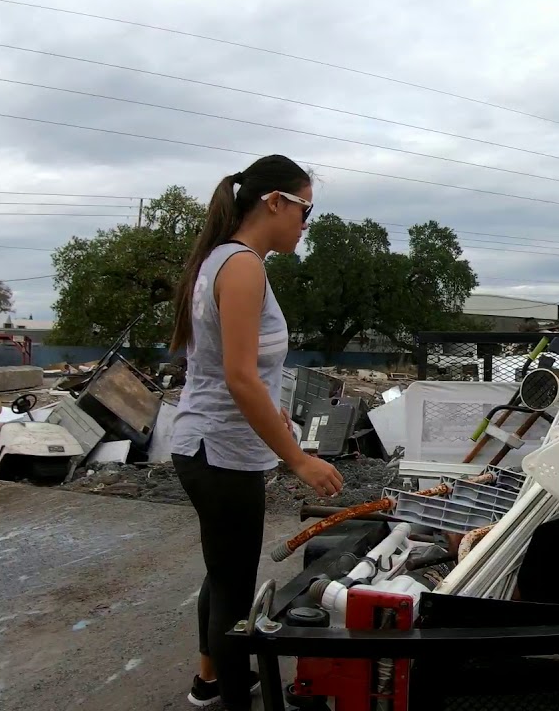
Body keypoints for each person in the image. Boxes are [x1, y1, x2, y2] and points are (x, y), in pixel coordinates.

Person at [169, 154, 344, 709]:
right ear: (275, 202)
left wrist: (278, 422)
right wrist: (299, 459)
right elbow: (240, 377)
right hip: (219, 449)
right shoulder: (243, 266)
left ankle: (210, 680)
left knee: (224, 573)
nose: (305, 224)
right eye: (305, 210)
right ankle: (236, 699)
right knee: (235, 589)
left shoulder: (221, 259)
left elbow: (243, 375)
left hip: (211, 443)